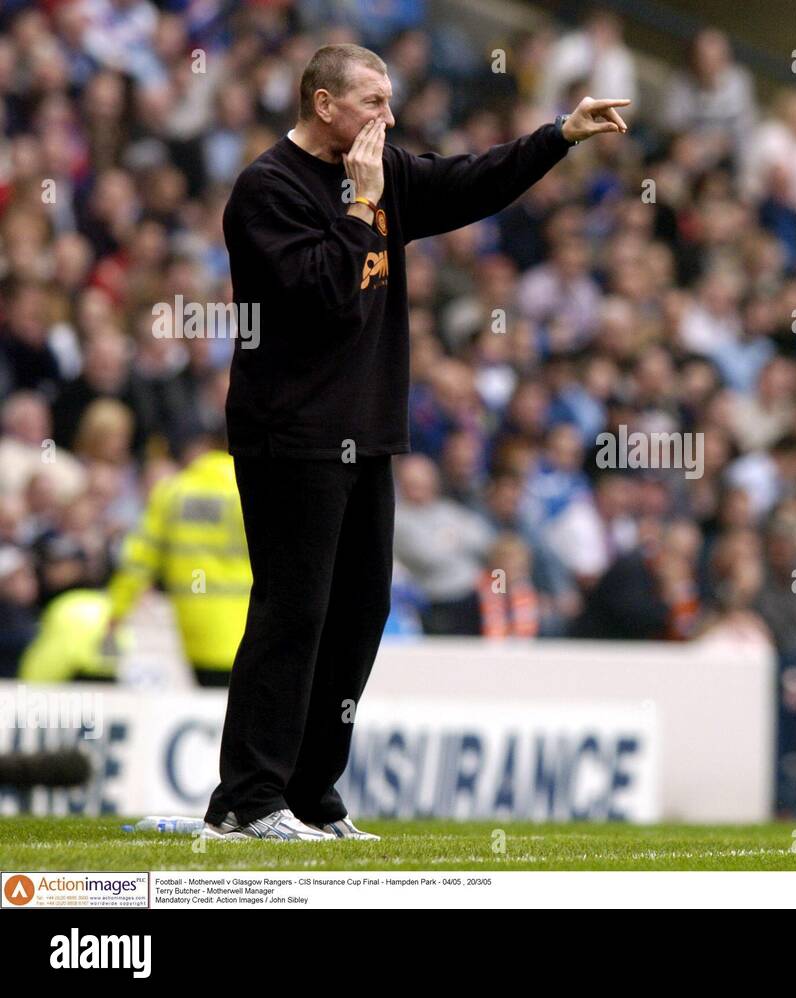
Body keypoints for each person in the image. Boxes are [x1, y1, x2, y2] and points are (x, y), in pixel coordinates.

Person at [204, 43, 629, 842]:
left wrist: (559, 136)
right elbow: (326, 296)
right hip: (290, 436)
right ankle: (248, 798)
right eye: (372, 102)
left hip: (364, 434)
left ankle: (309, 794)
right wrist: (362, 207)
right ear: (323, 104)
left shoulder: (385, 170)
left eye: (390, 102)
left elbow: (472, 180)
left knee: (358, 614)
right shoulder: (267, 189)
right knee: (293, 610)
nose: (388, 119)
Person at [106, 431, 249, 687]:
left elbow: (138, 560)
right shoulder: (248, 489)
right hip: (246, 625)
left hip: (193, 627)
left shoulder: (172, 492)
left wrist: (116, 611)